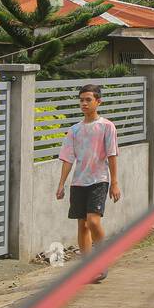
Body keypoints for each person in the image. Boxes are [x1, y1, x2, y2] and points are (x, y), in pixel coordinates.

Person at [55, 84, 120, 283]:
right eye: (81, 100)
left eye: (88, 100)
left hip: (99, 181)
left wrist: (114, 183)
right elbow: (68, 159)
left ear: (98, 102)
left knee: (93, 221)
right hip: (78, 183)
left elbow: (112, 154)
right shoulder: (74, 130)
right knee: (82, 225)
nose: (84, 103)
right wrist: (61, 184)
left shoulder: (107, 126)